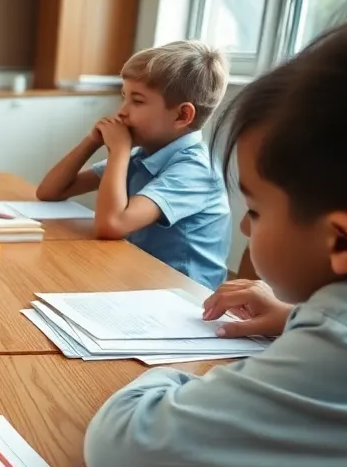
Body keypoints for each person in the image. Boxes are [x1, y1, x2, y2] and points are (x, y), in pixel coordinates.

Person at [84, 0, 347, 467]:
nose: (246, 228)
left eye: (254, 208)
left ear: (342, 241)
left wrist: (172, 370)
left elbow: (122, 446)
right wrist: (295, 318)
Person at [36, 41, 231, 290]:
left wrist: (119, 151)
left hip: (184, 295)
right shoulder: (143, 155)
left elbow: (111, 225)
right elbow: (50, 191)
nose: (122, 112)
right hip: (139, 276)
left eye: (137, 101)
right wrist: (91, 141)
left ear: (182, 115)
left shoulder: (196, 170)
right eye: (124, 97)